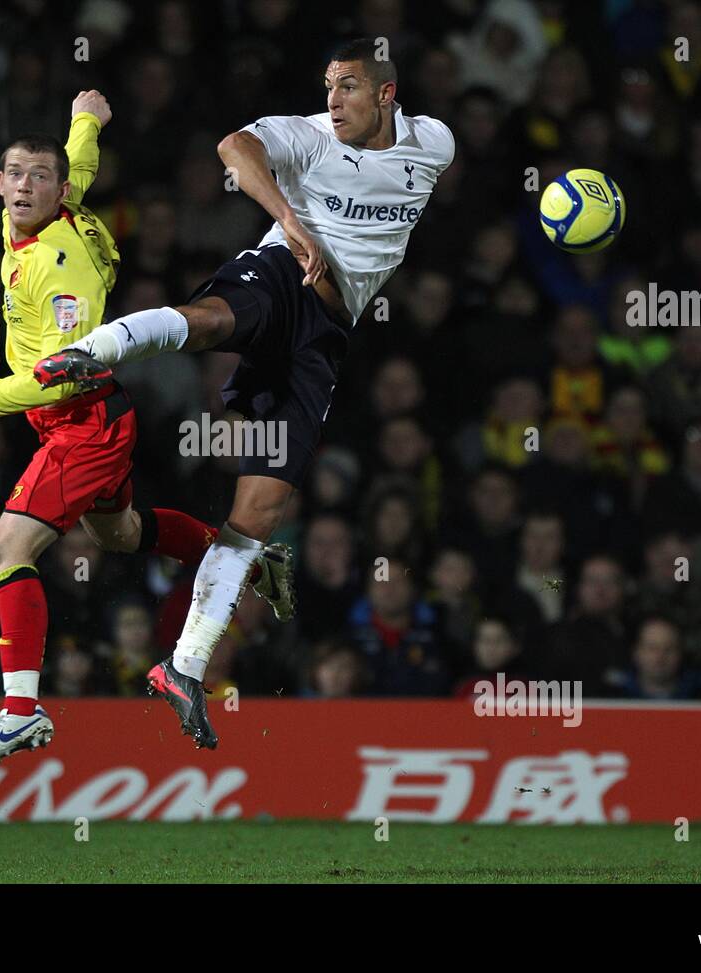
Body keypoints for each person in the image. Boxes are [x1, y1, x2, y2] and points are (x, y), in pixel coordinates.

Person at [36, 38, 455, 747]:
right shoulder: (311, 137)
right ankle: (87, 350)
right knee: (214, 321)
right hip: (283, 275)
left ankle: (185, 665)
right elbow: (234, 146)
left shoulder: (434, 143)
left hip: (326, 334)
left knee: (260, 509)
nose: (333, 100)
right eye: (327, 85)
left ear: (387, 94)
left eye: (347, 87)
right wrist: (289, 222)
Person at [0, 92, 293, 769]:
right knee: (119, 533)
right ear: (0, 182)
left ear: (54, 193)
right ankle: (245, 561)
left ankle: (21, 712)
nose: (25, 185)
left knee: (5, 550)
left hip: (81, 421)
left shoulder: (61, 269)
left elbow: (63, 374)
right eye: (15, 173)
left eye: (38, 177)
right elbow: (78, 168)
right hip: (100, 418)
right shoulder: (38, 211)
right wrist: (87, 119)